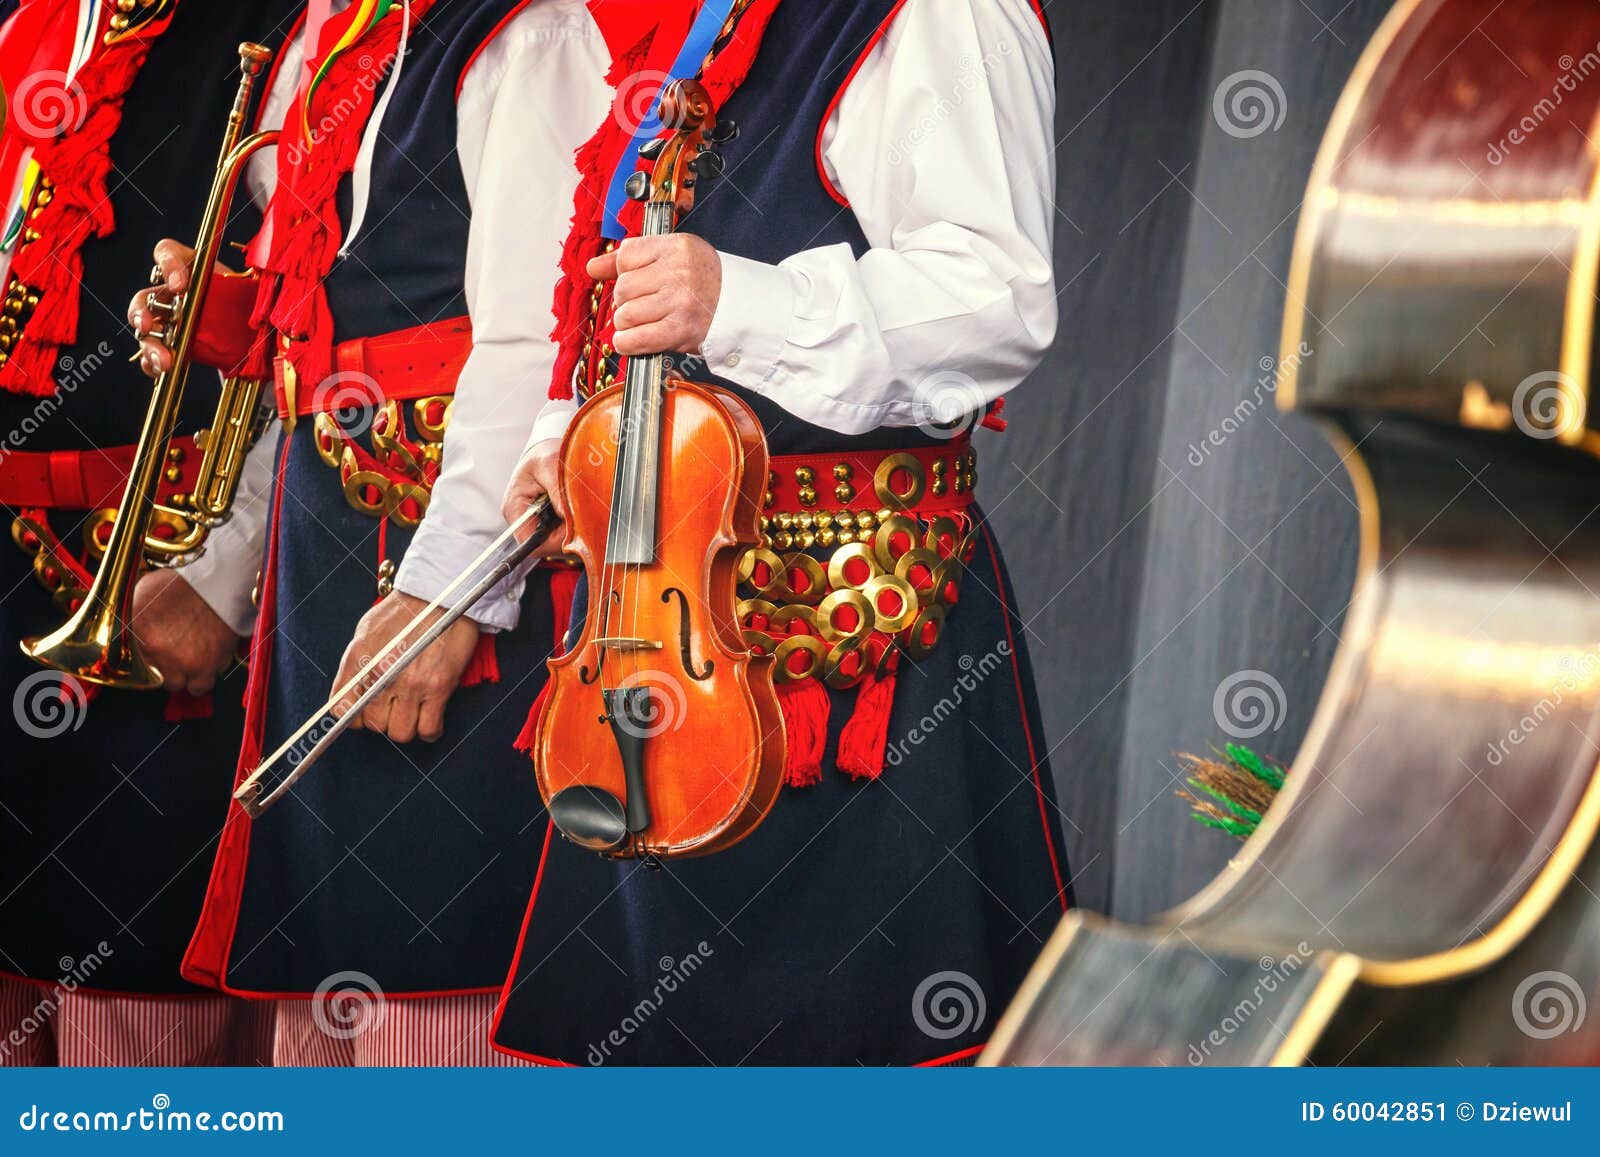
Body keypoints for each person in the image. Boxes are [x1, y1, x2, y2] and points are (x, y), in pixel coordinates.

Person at [491, 0, 1070, 1066]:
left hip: (850, 632)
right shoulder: (698, 27)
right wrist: (563, 435)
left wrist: (738, 300)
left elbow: (997, 297)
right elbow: (616, 298)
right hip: (649, 611)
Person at [129, 0, 613, 1066]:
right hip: (335, 552)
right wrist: (242, 321)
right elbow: (346, 314)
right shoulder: (339, 36)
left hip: (449, 556)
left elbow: (542, 338)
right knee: (330, 964)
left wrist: (448, 590)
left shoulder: (530, 32)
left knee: (428, 969)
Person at [0, 0, 306, 1066]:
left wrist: (225, 572)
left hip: (162, 576)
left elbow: (313, 325)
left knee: (133, 1013)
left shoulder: (276, 25)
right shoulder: (27, 29)